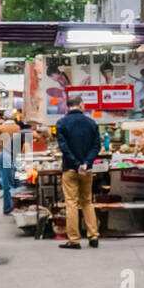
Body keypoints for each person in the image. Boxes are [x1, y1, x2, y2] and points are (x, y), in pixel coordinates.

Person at [56, 94, 101, 248]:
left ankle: (74, 240)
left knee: (71, 203)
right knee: (87, 201)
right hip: (87, 170)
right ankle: (93, 236)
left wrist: (76, 164)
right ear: (81, 105)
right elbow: (96, 146)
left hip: (70, 169)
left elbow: (64, 147)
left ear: (68, 106)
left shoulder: (61, 123)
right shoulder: (91, 123)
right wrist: (86, 163)